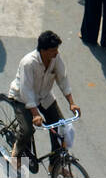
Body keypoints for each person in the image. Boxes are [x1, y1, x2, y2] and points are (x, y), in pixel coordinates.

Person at [8, 32, 81, 166]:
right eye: (53, 50)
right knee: (28, 130)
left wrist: (72, 103)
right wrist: (35, 114)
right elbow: (26, 91)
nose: (56, 52)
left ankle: (55, 165)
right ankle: (16, 153)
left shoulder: (55, 58)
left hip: (44, 97)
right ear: (43, 50)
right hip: (22, 99)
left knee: (61, 129)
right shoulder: (28, 63)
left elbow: (63, 79)